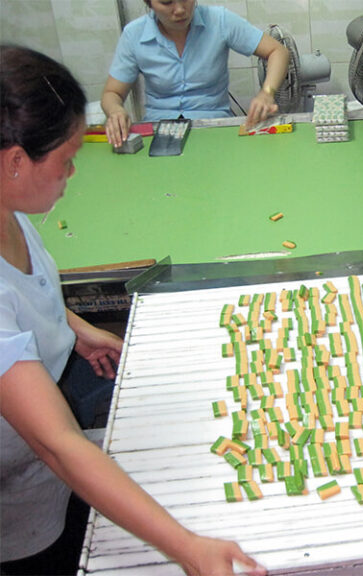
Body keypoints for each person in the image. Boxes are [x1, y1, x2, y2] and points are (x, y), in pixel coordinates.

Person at [0, 44, 266, 576]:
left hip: (44, 458)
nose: (73, 173)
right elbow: (57, 444)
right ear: (14, 161)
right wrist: (189, 548)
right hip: (17, 497)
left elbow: (25, 296)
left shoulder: (11, 209)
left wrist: (72, 329)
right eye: (66, 161)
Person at [101, 0, 290, 147]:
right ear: (149, 4)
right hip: (158, 131)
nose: (180, 9)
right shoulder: (134, 34)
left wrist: (267, 93)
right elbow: (112, 94)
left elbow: (278, 51)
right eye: (167, 2)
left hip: (215, 127)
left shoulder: (219, 21)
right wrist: (115, 111)